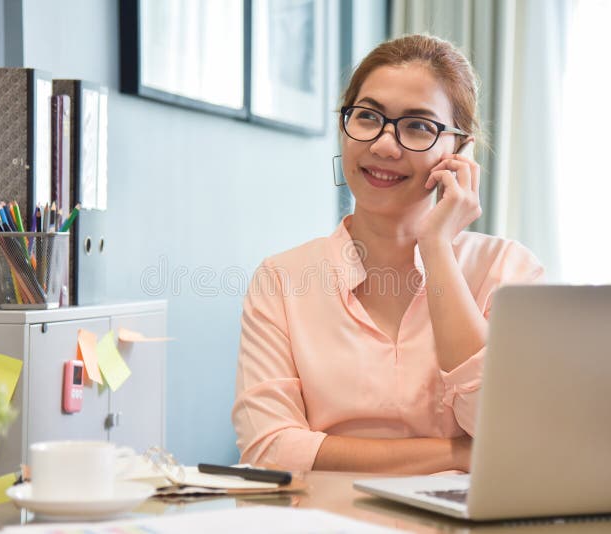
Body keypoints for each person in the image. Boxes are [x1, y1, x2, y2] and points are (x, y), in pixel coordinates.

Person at [232, 34, 544, 474]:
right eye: (367, 117)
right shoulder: (282, 278)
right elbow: (269, 450)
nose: (383, 144)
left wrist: (436, 250)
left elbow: (507, 432)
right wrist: (458, 454)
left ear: (458, 149)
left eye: (418, 126)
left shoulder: (508, 271)